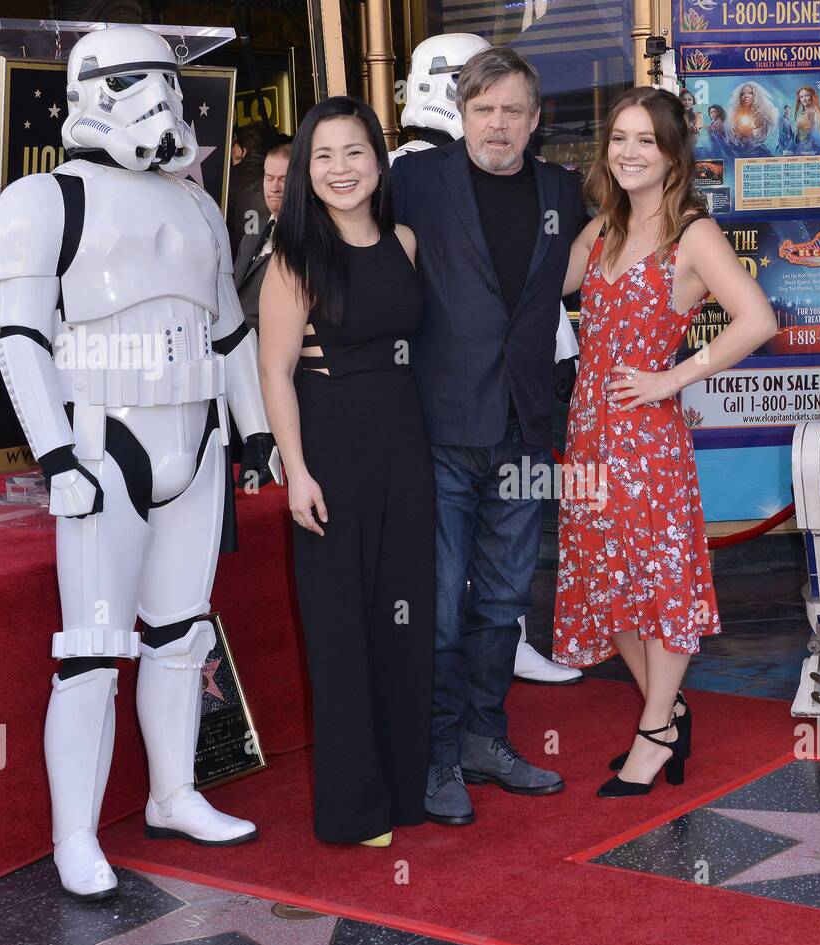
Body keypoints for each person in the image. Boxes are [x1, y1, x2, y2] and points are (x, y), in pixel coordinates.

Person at [0, 25, 277, 900]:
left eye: (164, 78)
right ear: (88, 90)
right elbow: (20, 338)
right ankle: (74, 832)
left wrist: (255, 430)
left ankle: (174, 792)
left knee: (183, 635)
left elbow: (228, 330)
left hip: (195, 440)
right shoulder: (42, 199)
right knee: (91, 649)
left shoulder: (194, 203)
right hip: (102, 440)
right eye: (131, 80)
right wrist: (55, 451)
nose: (156, 96)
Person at [553, 87, 777, 796]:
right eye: (618, 137)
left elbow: (757, 319)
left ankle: (653, 734)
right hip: (588, 437)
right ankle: (668, 712)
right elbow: (532, 292)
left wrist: (669, 378)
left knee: (661, 587)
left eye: (645, 139)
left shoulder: (693, 235)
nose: (628, 151)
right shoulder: (599, 233)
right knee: (607, 586)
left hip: (647, 442)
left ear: (674, 152)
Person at [389, 47, 586, 825]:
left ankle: (483, 738)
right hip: (437, 427)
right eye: (484, 109)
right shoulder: (411, 182)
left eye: (512, 111)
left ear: (535, 121)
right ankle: (436, 757)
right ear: (460, 114)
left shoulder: (562, 191)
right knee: (438, 607)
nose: (497, 124)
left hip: (524, 429)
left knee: (503, 601)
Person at [259, 98, 433, 848]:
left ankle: (403, 791)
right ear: (305, 170)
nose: (340, 170)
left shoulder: (405, 240)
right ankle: (353, 809)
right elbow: (274, 374)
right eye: (323, 156)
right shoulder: (294, 258)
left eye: (354, 152)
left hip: (403, 444)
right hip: (329, 448)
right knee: (341, 629)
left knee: (404, 619)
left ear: (377, 159)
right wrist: (296, 471)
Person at [234, 139, 290, 333]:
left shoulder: (309, 237)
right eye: (269, 177)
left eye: (283, 178)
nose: (274, 187)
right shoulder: (254, 229)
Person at [226, 122, 274, 260]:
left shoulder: (229, 178)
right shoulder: (284, 178)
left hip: (235, 258)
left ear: (243, 150)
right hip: (269, 260)